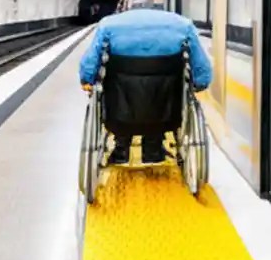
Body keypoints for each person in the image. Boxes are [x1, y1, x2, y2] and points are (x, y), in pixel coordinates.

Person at [78, 8, 213, 165]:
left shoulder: (108, 25)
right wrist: (201, 81)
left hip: (119, 106)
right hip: (165, 107)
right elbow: (200, 62)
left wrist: (87, 79)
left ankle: (121, 149)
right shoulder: (184, 25)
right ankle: (153, 149)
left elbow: (91, 59)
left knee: (115, 89)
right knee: (163, 96)